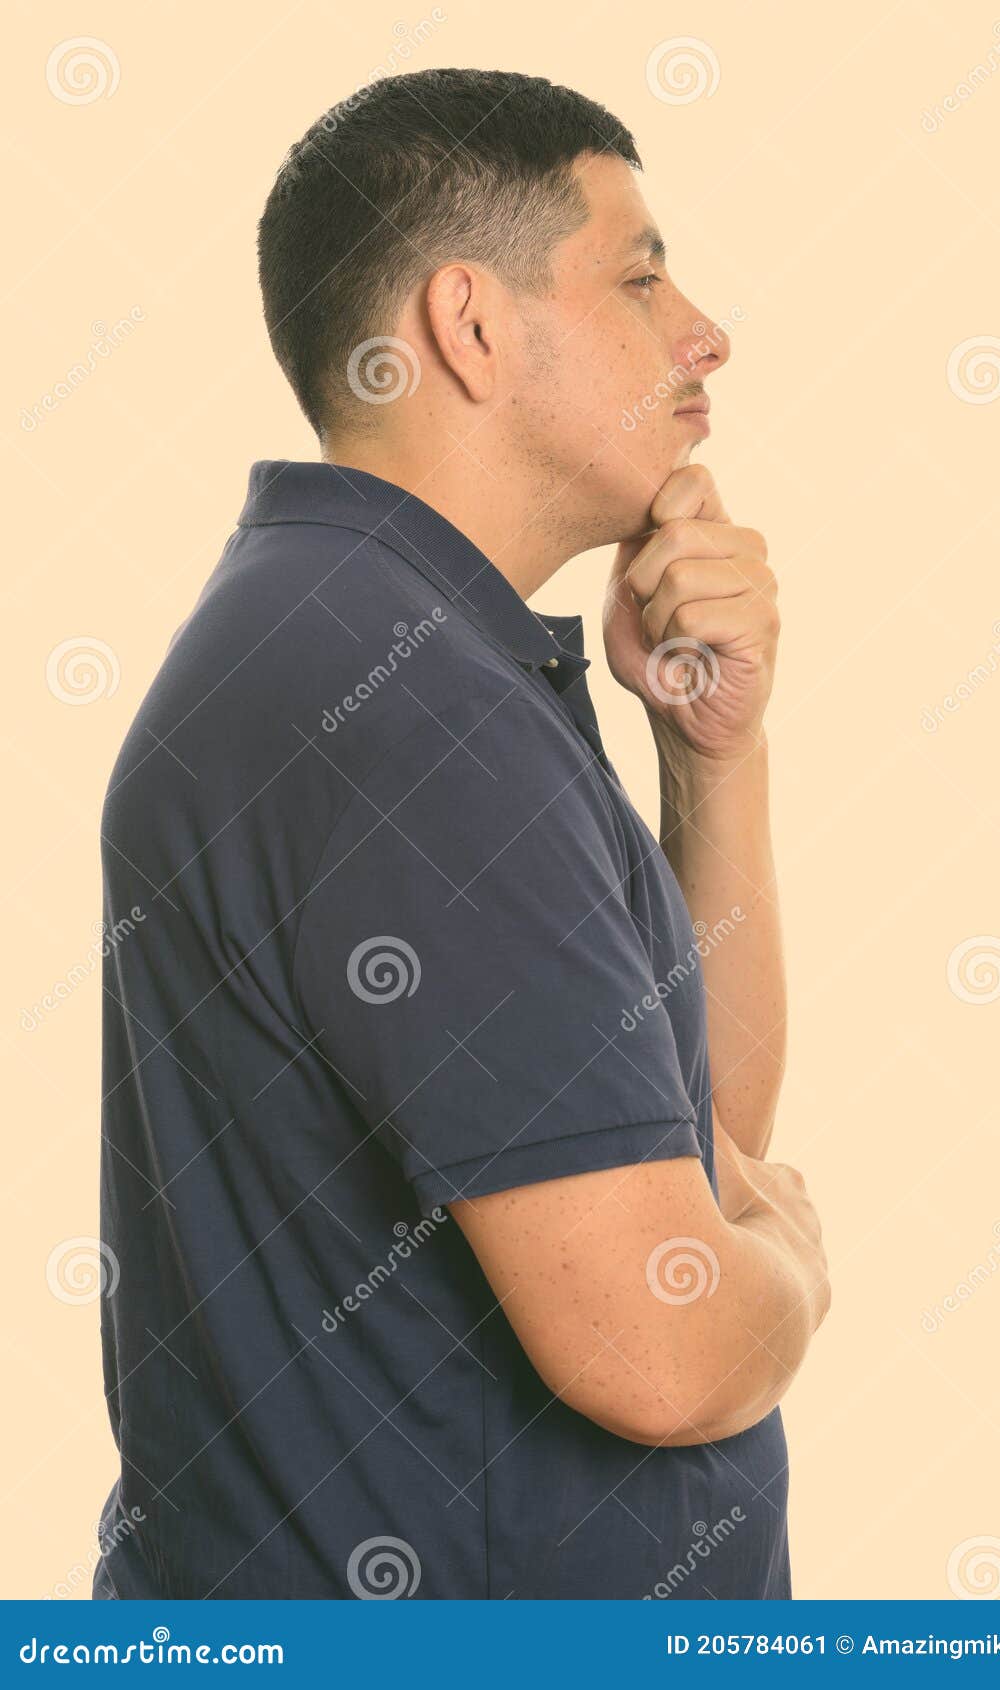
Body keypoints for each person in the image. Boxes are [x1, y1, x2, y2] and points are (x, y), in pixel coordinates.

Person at [93, 67, 829, 1602]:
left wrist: (713, 752)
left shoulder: (384, 641)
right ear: (471, 325)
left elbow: (697, 1144)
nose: (703, 333)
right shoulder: (402, 708)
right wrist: (799, 1278)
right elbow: (663, 1340)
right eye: (640, 275)